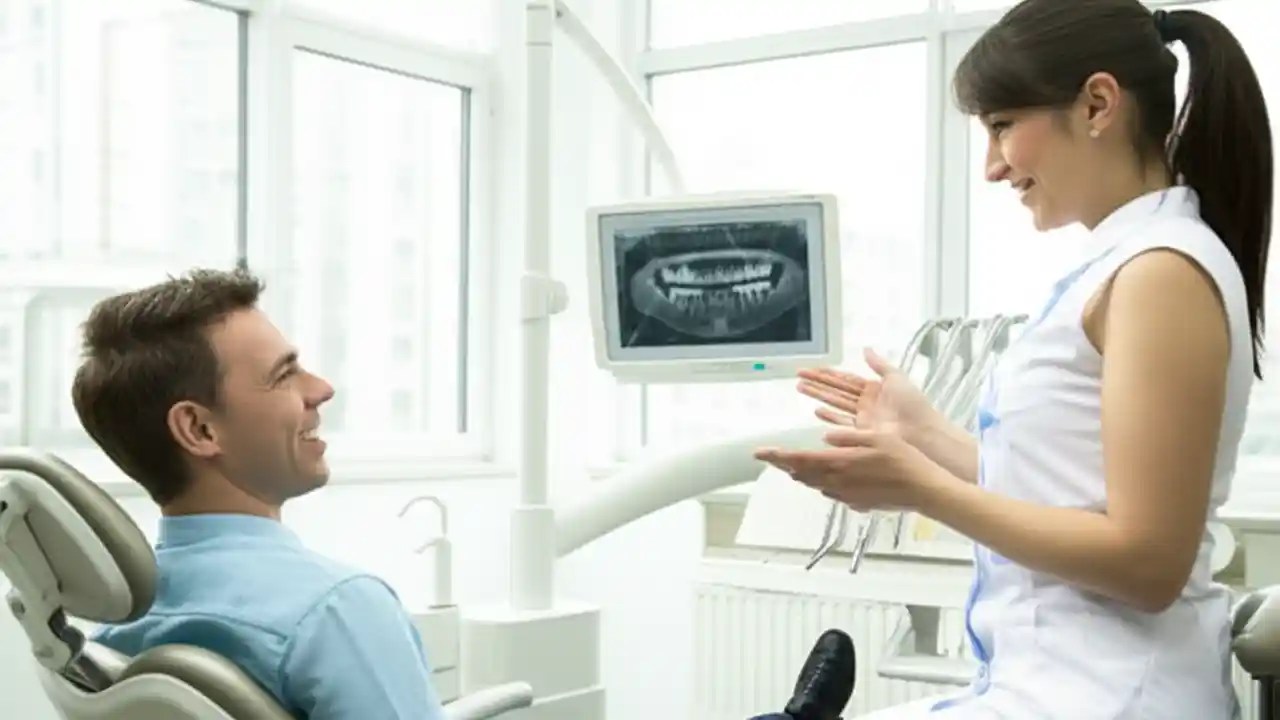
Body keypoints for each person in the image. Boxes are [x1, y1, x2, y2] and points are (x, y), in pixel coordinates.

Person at [756, 1, 1273, 718]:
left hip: (1112, 699)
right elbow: (1066, 486)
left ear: (1097, 104)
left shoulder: (1161, 275)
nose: (993, 168)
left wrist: (922, 489)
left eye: (1001, 127)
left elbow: (1150, 562)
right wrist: (926, 435)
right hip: (1053, 690)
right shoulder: (1125, 264)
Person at [72, 268, 447, 720]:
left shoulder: (115, 631)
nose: (321, 389)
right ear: (200, 429)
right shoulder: (338, 612)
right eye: (284, 374)